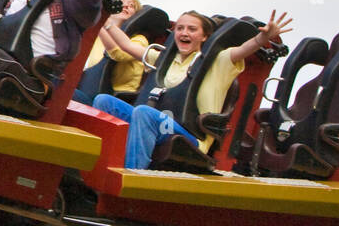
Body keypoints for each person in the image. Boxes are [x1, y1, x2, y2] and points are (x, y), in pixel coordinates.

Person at [91, 10, 293, 169]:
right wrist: (106, 21)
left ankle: (131, 174)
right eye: (180, 28)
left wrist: (262, 39)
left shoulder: (218, 61)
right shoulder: (166, 60)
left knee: (144, 113)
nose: (184, 33)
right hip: (158, 122)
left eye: (191, 29)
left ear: (205, 37)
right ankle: (98, 163)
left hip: (190, 135)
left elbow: (241, 51)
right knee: (104, 101)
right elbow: (126, 45)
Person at [72, 0, 144, 105]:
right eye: (121, 2)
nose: (126, 6)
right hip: (88, 92)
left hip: (114, 99)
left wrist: (101, 22)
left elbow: (119, 54)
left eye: (132, 6)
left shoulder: (139, 39)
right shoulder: (93, 37)